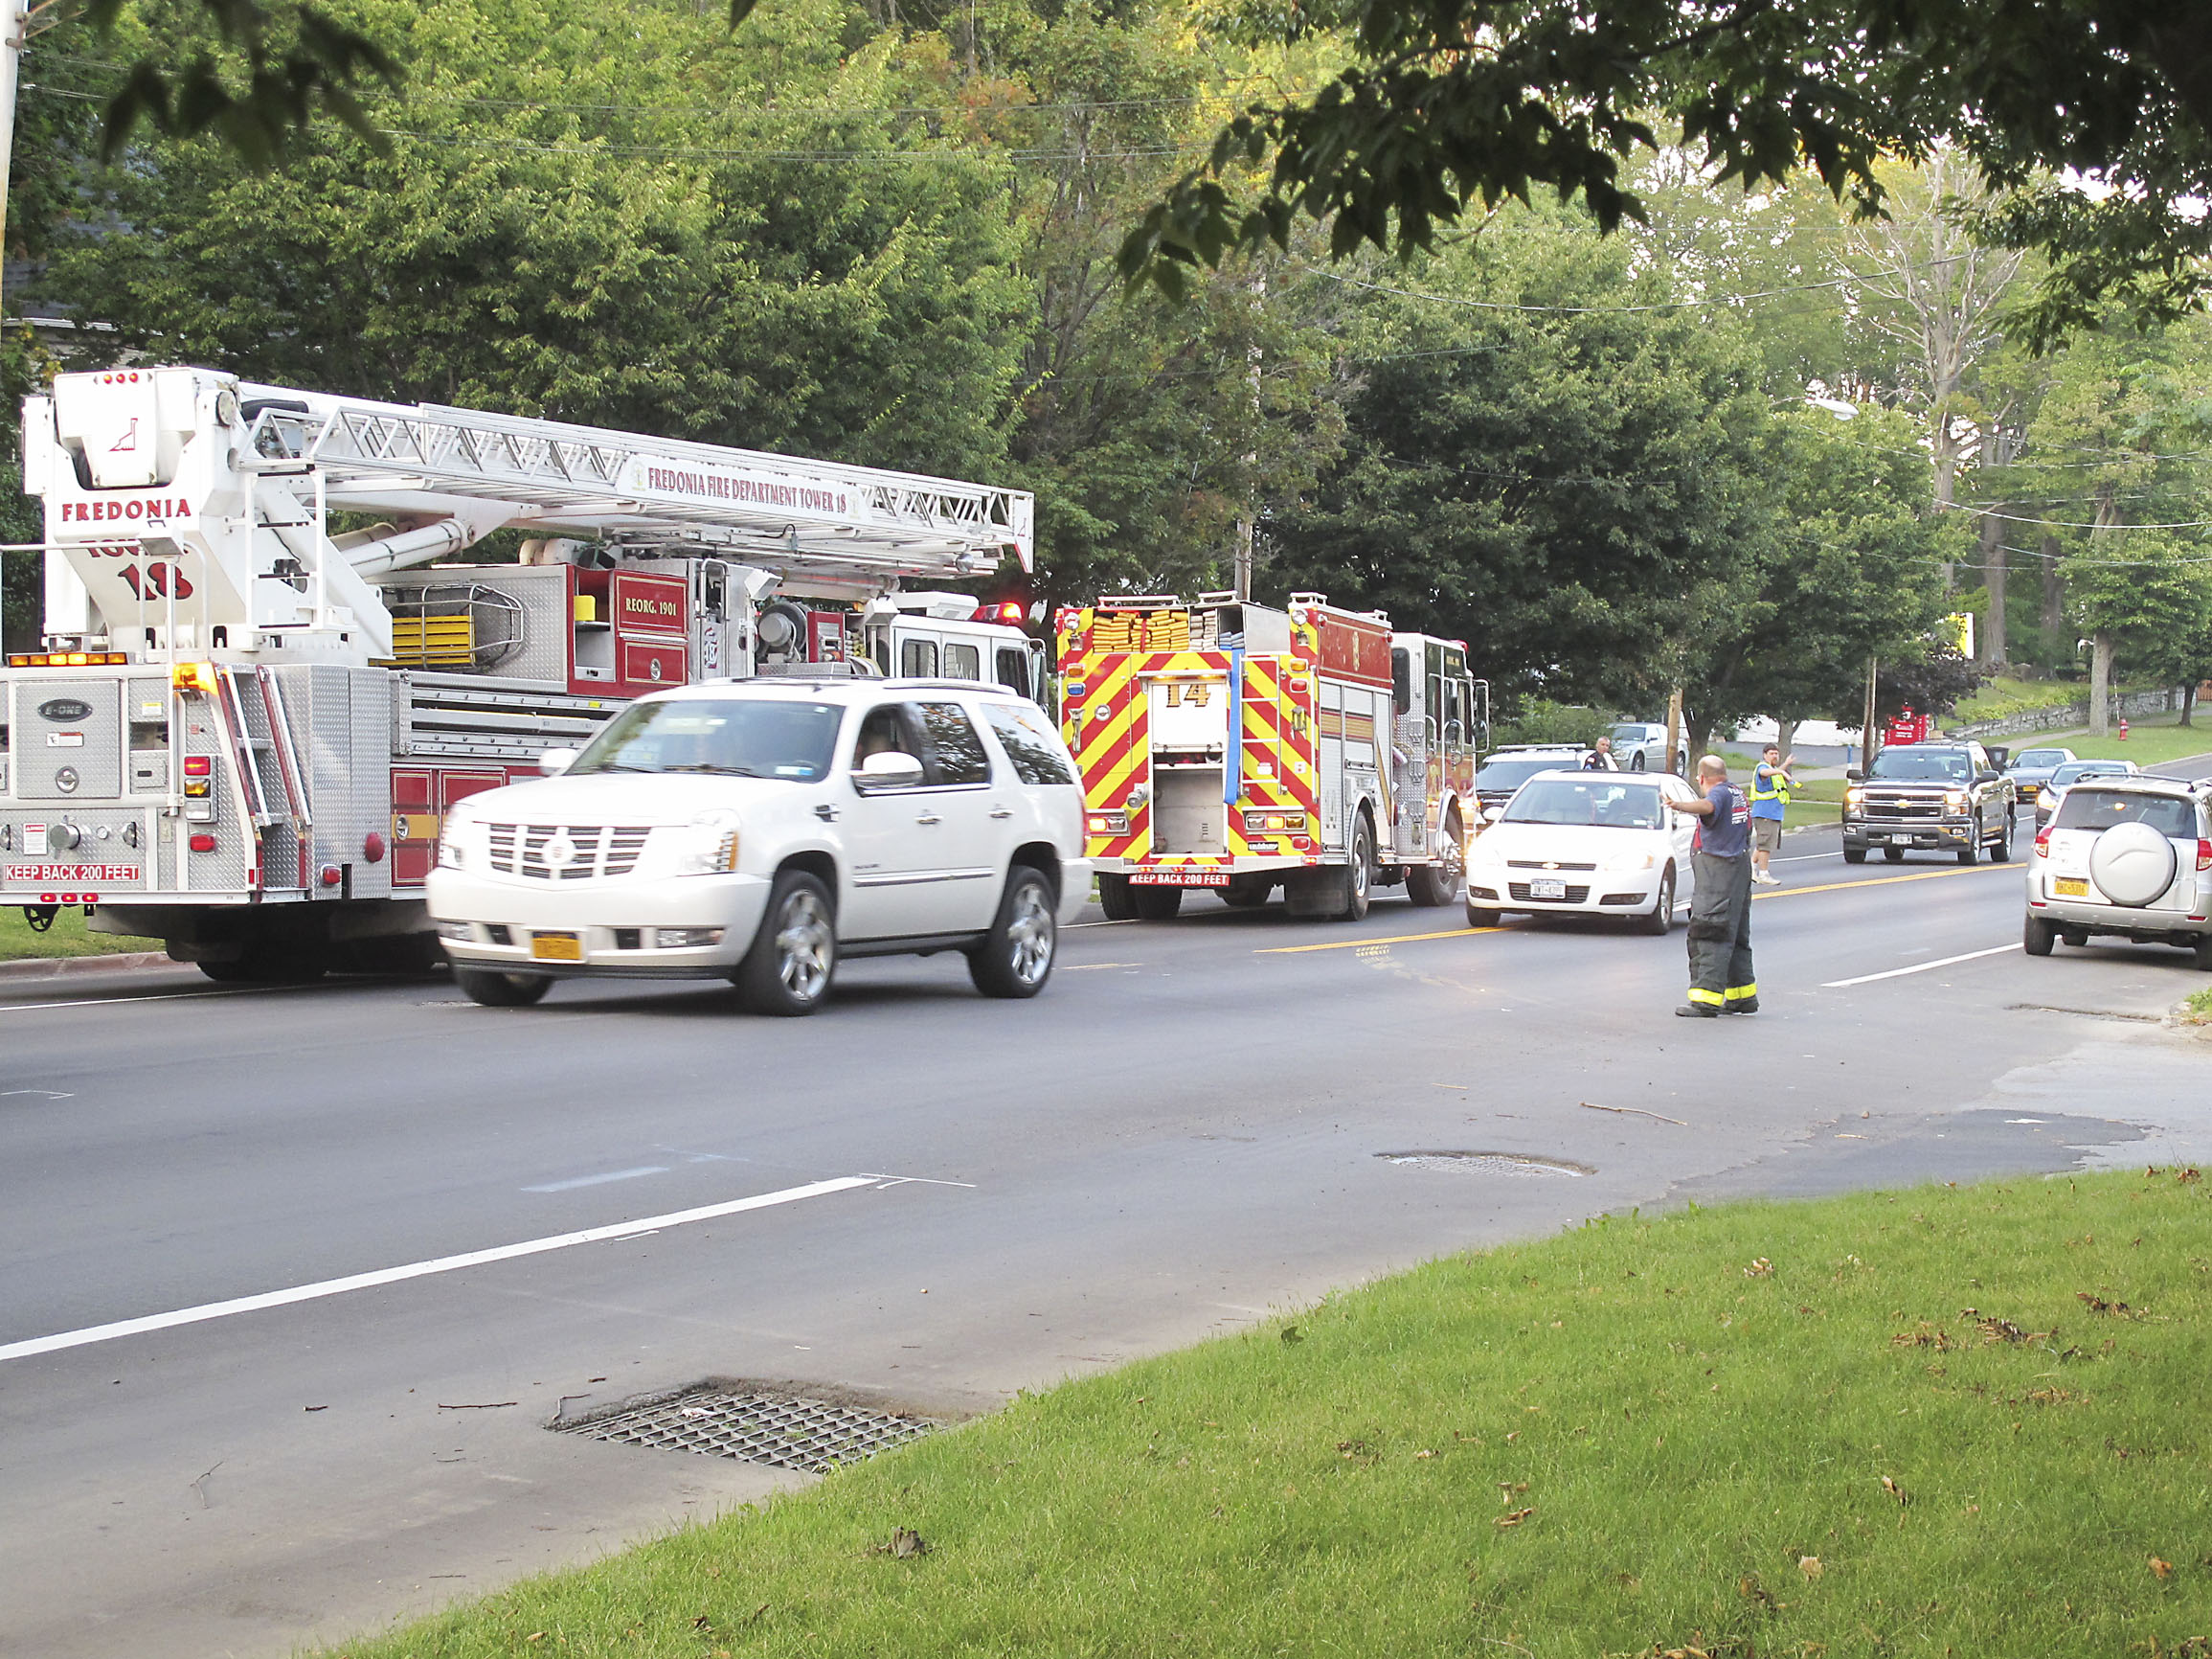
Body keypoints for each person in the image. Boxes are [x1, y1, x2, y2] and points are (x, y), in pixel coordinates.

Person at [1665, 755, 1756, 1017]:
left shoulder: (1717, 794)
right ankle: (1742, 996)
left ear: (1701, 778)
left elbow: (1707, 807)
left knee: (1709, 932)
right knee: (1735, 935)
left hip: (1719, 873)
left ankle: (1705, 1000)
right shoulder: (1736, 792)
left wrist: (1679, 805)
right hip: (1738, 869)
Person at [1748, 742, 1797, 885]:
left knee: (1764, 843)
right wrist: (1782, 772)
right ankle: (1764, 874)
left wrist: (1785, 765)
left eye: (1776, 753)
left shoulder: (1772, 769)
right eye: (1771, 753)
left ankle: (1750, 868)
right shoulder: (1762, 767)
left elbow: (1773, 773)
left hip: (1773, 814)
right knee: (1765, 846)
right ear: (1765, 755)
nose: (1775, 756)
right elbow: (1764, 773)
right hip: (1765, 814)